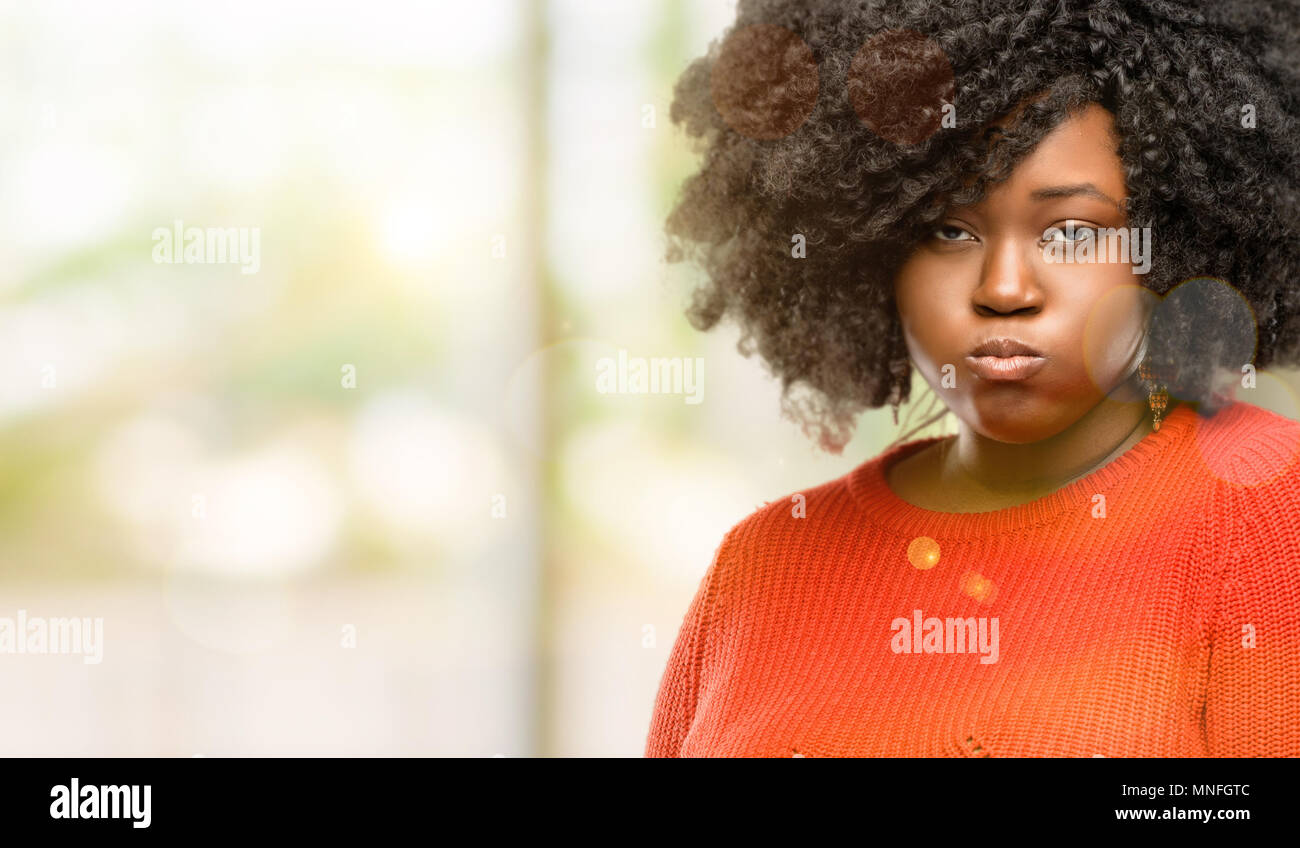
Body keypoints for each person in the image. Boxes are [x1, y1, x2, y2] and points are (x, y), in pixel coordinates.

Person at [645, 0, 1300, 757]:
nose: (1005, 287)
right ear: (868, 253)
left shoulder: (1268, 517)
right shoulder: (759, 566)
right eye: (948, 230)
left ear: (1179, 243)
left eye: (1073, 232)